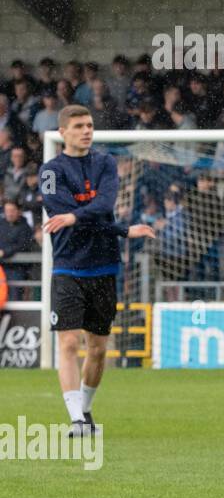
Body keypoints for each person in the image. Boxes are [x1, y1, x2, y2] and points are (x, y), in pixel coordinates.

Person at [39, 106, 154, 435]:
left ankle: (86, 411)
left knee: (99, 350)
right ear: (63, 132)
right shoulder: (51, 170)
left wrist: (81, 218)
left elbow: (104, 205)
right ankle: (76, 420)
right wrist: (118, 228)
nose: (87, 131)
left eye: (89, 125)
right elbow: (58, 208)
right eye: (79, 126)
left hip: (103, 265)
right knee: (69, 343)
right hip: (67, 267)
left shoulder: (105, 163)